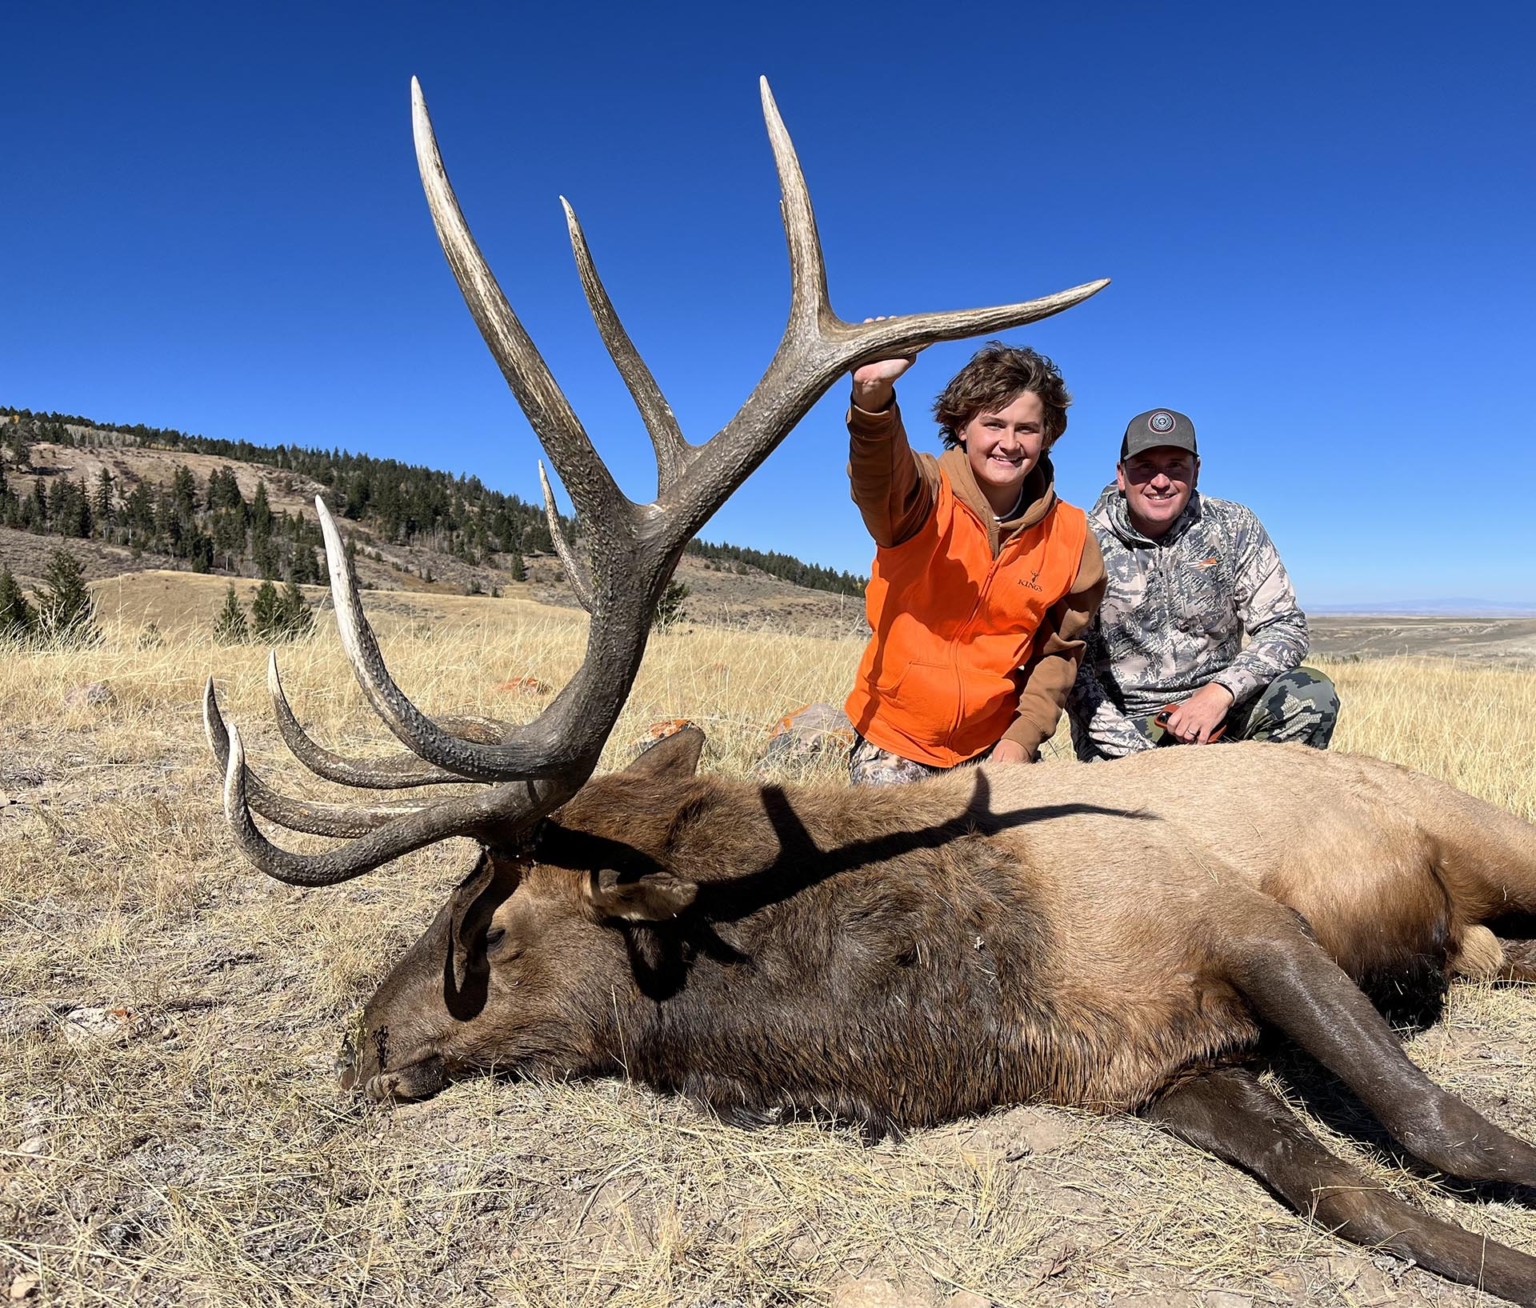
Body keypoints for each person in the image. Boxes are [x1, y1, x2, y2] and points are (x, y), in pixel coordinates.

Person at [843, 341, 1106, 786]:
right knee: (893, 831)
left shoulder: (1072, 536)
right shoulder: (922, 494)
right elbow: (879, 477)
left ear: (1047, 436)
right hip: (896, 737)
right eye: (993, 424)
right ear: (962, 426)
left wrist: (1021, 739)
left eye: (1026, 428)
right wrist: (872, 401)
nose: (1009, 443)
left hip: (993, 745)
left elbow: (1059, 653)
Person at [1067, 407, 1338, 760]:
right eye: (1145, 467)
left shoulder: (1234, 525)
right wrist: (1142, 759)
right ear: (1121, 475)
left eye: (1175, 466)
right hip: (1126, 724)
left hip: (1219, 710)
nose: (1160, 482)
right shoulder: (1080, 541)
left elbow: (1284, 626)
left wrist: (1221, 692)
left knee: (1311, 695)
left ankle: (1253, 795)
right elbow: (1070, 663)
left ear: (1196, 471)